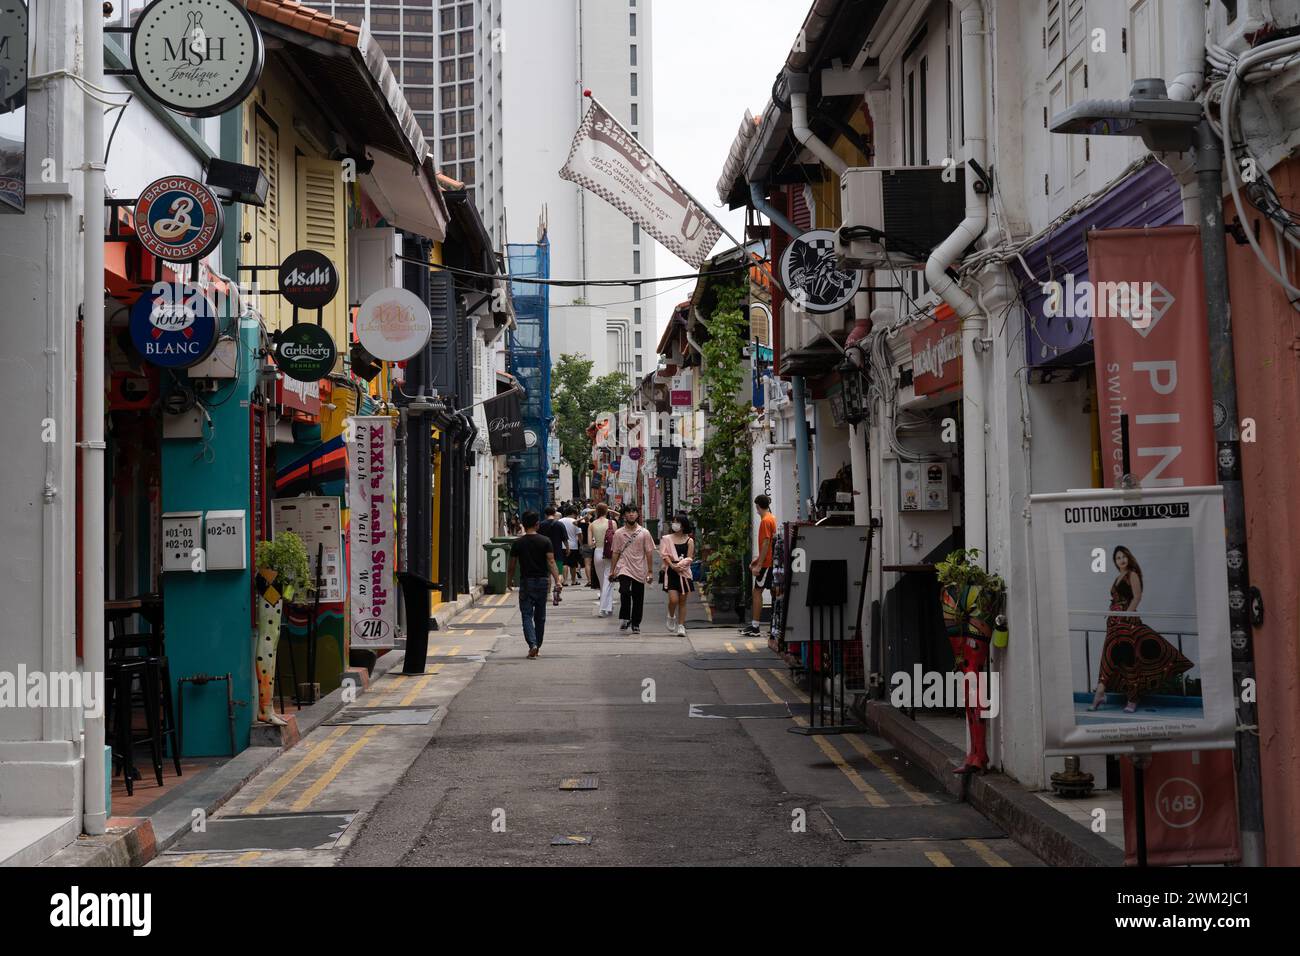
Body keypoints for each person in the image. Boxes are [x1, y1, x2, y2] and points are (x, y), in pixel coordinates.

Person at [1090, 546, 1193, 713]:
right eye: (1118, 558)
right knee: (1110, 654)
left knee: (1130, 658)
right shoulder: (1118, 577)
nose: (1121, 560)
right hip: (1113, 622)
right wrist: (1114, 616)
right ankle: (1101, 690)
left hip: (1126, 620)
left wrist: (1125, 616)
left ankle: (1131, 697)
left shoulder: (1132, 575)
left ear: (1129, 557)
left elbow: (1137, 597)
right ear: (1115, 562)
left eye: (1124, 556)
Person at [507, 511, 564, 658]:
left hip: (526, 582)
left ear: (523, 525)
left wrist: (509, 580)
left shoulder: (518, 543)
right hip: (542, 582)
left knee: (526, 615)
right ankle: (537, 645)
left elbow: (512, 565)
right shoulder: (545, 541)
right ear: (537, 524)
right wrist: (557, 580)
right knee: (540, 616)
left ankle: (532, 644)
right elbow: (551, 562)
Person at [610, 504, 655, 634]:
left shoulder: (644, 533)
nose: (631, 514)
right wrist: (612, 570)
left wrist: (650, 571)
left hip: (639, 568)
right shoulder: (619, 533)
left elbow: (649, 552)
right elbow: (615, 552)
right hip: (623, 567)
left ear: (637, 514)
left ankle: (635, 623)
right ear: (624, 515)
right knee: (624, 591)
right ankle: (625, 617)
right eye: (628, 512)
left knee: (638, 596)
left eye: (633, 512)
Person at [742, 494, 778, 637]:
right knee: (773, 592)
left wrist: (759, 564)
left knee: (757, 592)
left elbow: (766, 543)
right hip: (770, 561)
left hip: (767, 563)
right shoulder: (772, 518)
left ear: (757, 506)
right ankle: (773, 625)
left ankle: (756, 626)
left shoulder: (765, 521)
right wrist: (757, 560)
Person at [659, 512, 695, 636]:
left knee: (682, 601)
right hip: (671, 571)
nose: (675, 524)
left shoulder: (689, 540)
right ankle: (671, 615)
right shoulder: (666, 539)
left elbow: (690, 558)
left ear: (683, 525)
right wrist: (673, 566)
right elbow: (664, 555)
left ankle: (681, 626)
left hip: (684, 572)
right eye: (673, 522)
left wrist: (681, 566)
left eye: (677, 522)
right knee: (673, 600)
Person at [589, 503, 616, 616]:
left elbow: (590, 544)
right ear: (607, 511)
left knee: (602, 582)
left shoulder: (592, 524)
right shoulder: (612, 523)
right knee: (609, 581)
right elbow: (616, 540)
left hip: (597, 552)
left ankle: (608, 606)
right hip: (609, 553)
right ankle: (603, 608)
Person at [538, 505, 569, 573]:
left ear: (545, 514)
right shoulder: (560, 524)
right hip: (558, 552)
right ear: (554, 513)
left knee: (547, 573)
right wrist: (567, 549)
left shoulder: (541, 524)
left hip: (545, 552)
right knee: (559, 573)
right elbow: (565, 539)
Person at [558, 505, 583, 586]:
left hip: (562, 545)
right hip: (573, 546)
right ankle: (573, 581)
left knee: (564, 563)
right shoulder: (575, 521)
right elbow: (579, 534)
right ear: (573, 513)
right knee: (573, 565)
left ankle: (564, 581)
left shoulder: (560, 521)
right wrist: (581, 544)